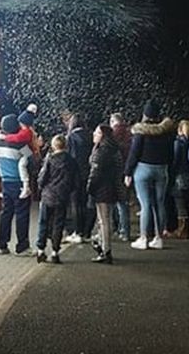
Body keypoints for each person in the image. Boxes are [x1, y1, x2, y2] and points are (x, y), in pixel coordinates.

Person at [125, 99, 176, 250]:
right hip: (162, 169)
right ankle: (158, 238)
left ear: (145, 114)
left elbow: (134, 154)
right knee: (159, 203)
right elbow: (171, 154)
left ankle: (143, 238)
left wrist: (128, 172)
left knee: (145, 204)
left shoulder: (141, 132)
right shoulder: (166, 132)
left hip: (143, 169)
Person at [0, 114, 34, 256]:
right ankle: (22, 246)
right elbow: (30, 158)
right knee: (22, 215)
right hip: (19, 182)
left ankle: (1, 244)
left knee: (6, 214)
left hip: (5, 181)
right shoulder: (20, 144)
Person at [36, 134, 75, 263]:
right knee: (58, 224)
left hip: (48, 196)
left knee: (43, 222)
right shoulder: (71, 161)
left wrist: (41, 187)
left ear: (53, 145)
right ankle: (55, 252)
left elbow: (43, 177)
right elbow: (75, 180)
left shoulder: (50, 159)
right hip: (62, 197)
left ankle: (41, 250)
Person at [88, 124, 120, 264]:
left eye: (96, 133)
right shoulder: (114, 149)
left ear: (103, 135)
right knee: (105, 220)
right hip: (112, 187)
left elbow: (95, 172)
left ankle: (105, 250)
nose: (94, 135)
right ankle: (103, 246)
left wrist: (89, 187)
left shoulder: (101, 152)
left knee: (103, 220)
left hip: (102, 189)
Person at [64, 113, 94, 244]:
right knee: (86, 202)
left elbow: (69, 156)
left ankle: (77, 231)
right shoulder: (91, 135)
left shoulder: (71, 137)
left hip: (75, 174)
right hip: (88, 172)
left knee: (75, 203)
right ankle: (87, 231)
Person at [110, 113, 133, 241]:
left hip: (116, 171)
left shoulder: (113, 135)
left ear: (113, 122)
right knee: (123, 202)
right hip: (127, 171)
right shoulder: (130, 134)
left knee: (118, 203)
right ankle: (124, 230)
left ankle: (121, 230)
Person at [172, 120, 189, 239]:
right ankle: (187, 229)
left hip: (180, 175)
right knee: (187, 203)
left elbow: (176, 160)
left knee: (180, 203)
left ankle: (182, 230)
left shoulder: (178, 143)